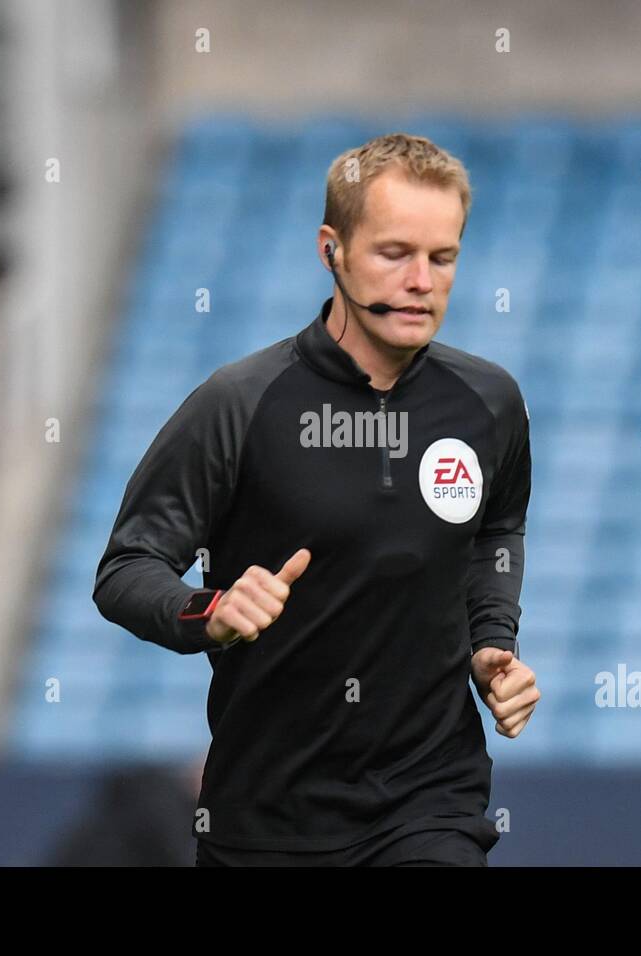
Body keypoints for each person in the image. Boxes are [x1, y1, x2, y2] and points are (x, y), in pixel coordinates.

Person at [93, 132, 540, 866]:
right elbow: (125, 570)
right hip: (266, 820)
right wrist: (211, 611)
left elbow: (497, 528)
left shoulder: (488, 403)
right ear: (332, 250)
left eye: (443, 257)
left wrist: (492, 641)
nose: (422, 281)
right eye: (395, 253)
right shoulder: (239, 404)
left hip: (430, 804)